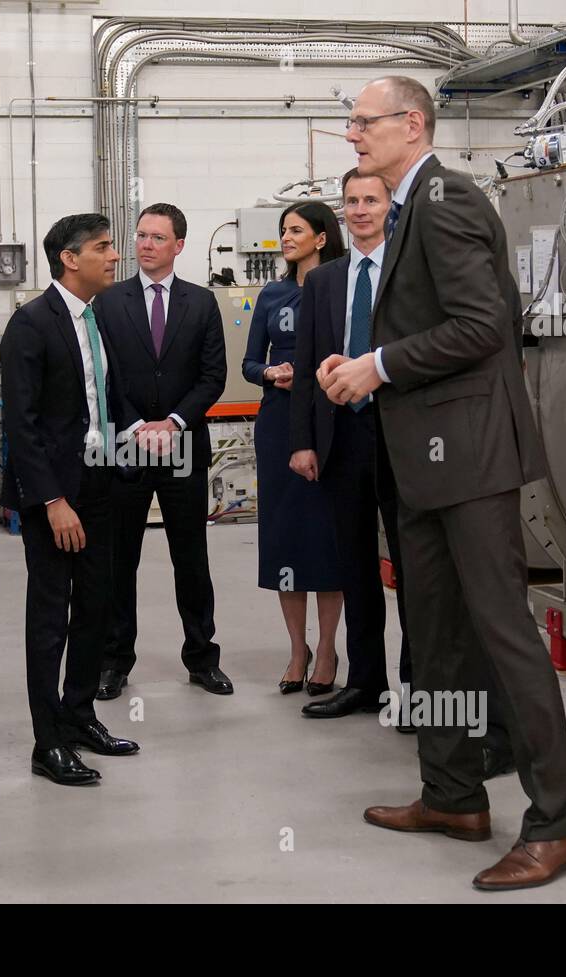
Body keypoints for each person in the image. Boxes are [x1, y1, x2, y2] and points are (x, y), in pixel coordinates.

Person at [318, 76, 566, 890]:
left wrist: (378, 365)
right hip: (424, 459)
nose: (352, 135)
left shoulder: (445, 200)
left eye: (363, 122)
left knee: (502, 633)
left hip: (468, 456)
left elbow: (482, 325)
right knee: (435, 633)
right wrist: (365, 365)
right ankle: (453, 792)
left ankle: (559, 821)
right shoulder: (411, 208)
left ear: (412, 123)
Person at [0, 213, 144, 787]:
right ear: (69, 258)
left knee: (96, 607)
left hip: (101, 484)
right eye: (103, 247)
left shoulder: (95, 317)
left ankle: (80, 716)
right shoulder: (31, 324)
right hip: (55, 497)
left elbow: (106, 397)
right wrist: (53, 500)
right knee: (50, 618)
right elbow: (22, 425)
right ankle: (48, 741)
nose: (115, 256)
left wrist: (140, 434)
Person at [288, 169, 415, 722]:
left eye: (371, 199)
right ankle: (366, 682)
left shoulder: (411, 270)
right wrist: (303, 442)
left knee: (413, 567)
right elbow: (305, 365)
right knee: (356, 566)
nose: (360, 209)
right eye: (351, 201)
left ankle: (416, 687)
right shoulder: (323, 281)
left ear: (390, 207)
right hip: (342, 434)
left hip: (402, 433)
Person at [93, 204, 232, 698]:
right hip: (126, 449)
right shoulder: (108, 302)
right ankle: (114, 661)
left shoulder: (202, 303)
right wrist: (136, 425)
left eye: (157, 237)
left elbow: (213, 376)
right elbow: (103, 376)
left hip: (183, 446)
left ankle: (202, 658)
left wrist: (173, 422)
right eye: (141, 235)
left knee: (191, 559)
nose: (146, 244)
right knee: (119, 561)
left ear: (179, 245)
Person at [241, 202, 347, 694]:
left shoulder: (341, 289)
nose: (285, 238)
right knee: (284, 538)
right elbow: (248, 363)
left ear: (321, 238)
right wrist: (270, 372)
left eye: (295, 230)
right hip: (278, 422)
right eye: (283, 230)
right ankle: (296, 649)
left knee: (325, 538)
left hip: (329, 417)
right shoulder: (272, 294)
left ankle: (326, 649)